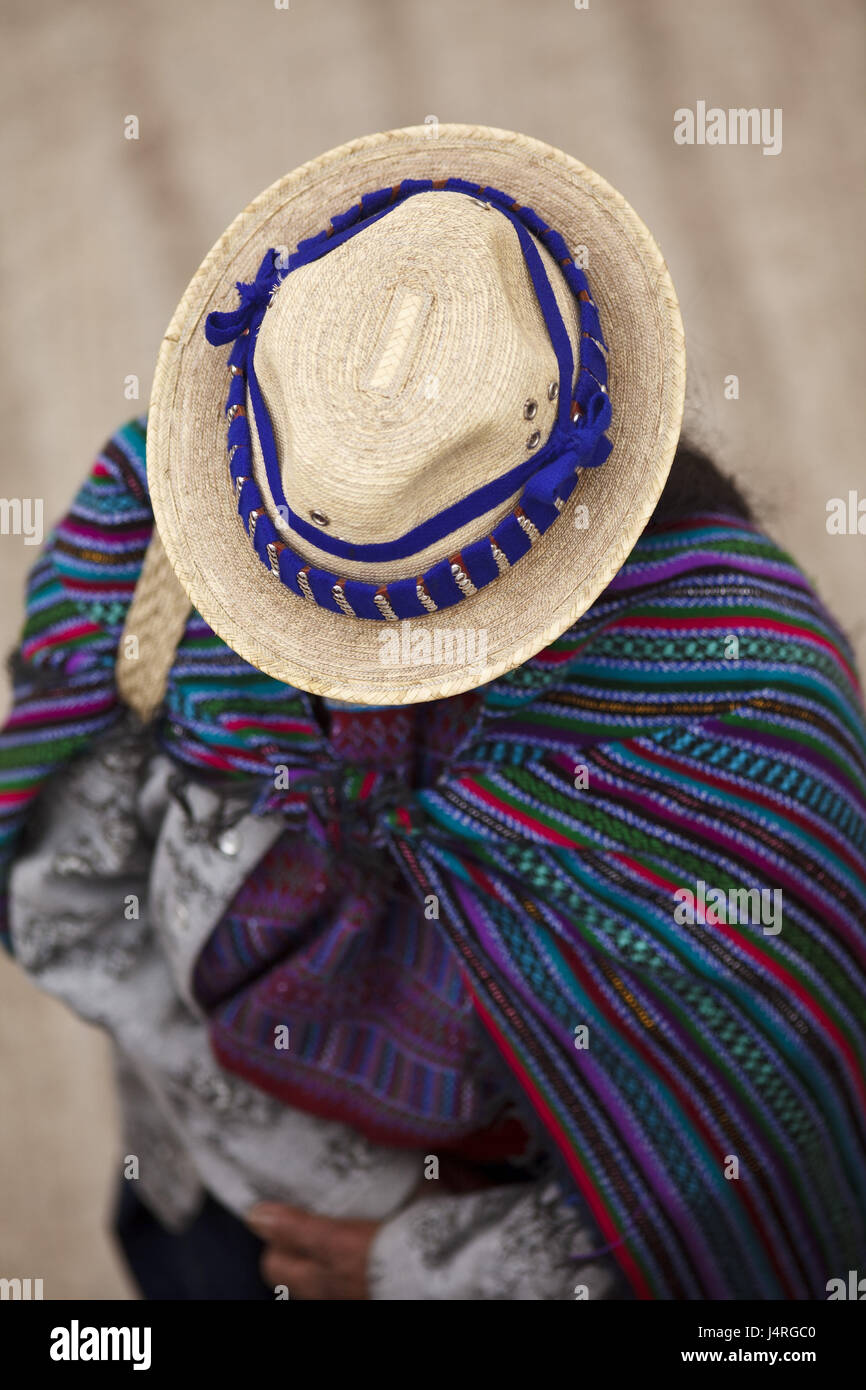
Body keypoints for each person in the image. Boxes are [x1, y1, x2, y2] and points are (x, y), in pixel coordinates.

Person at [2, 125, 864, 1301]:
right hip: (219, 1209)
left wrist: (421, 1265)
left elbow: (753, 1146)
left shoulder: (730, 701)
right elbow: (69, 900)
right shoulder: (150, 561)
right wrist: (276, 1180)